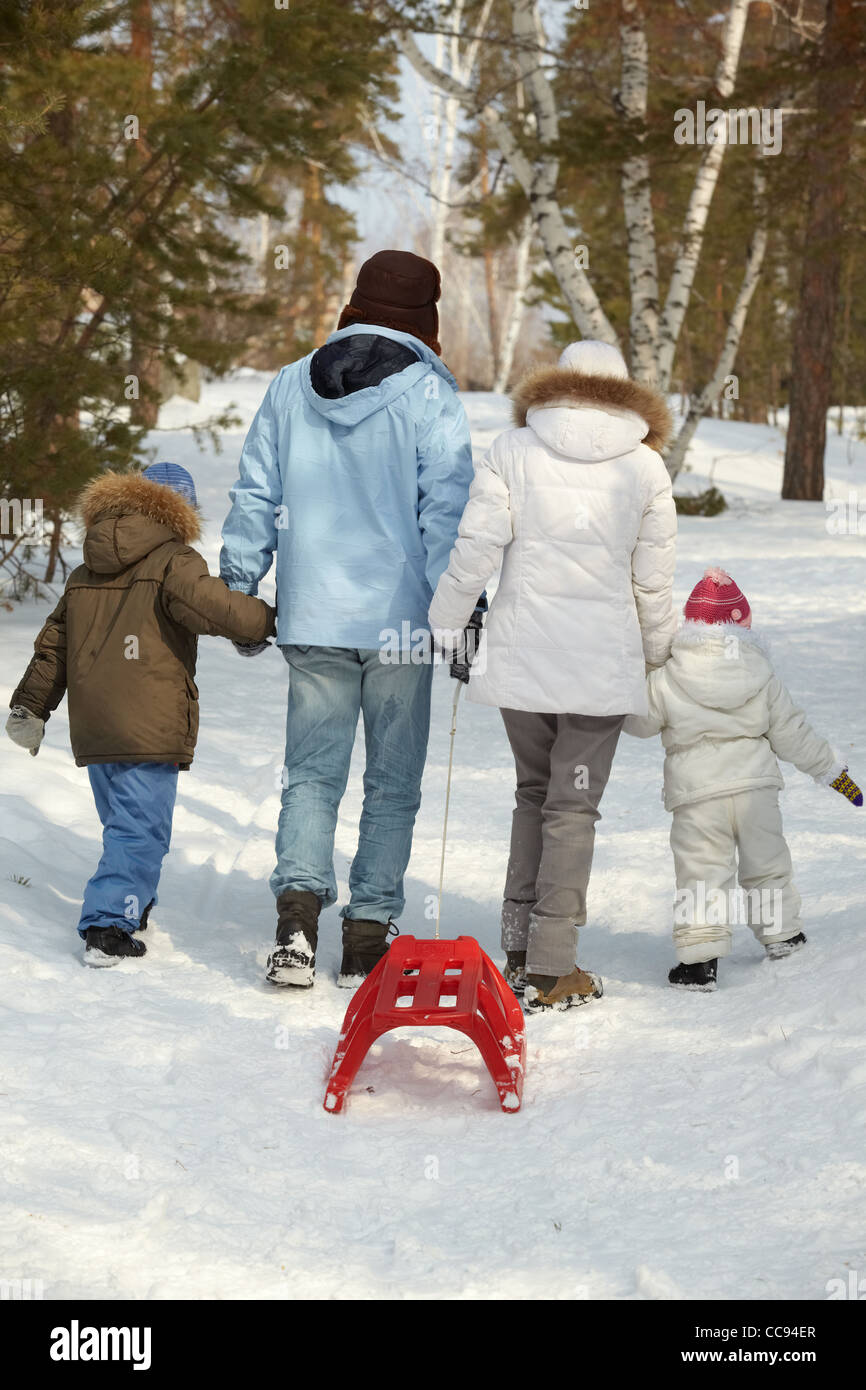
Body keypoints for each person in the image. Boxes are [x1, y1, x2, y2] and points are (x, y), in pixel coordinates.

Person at [219, 250, 474, 990]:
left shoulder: (291, 383)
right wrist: (457, 608)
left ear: (355, 303)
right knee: (392, 783)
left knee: (311, 774)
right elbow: (446, 513)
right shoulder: (429, 394)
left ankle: (296, 927)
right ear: (427, 317)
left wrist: (241, 584)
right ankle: (367, 935)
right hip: (401, 621)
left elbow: (255, 491)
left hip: (313, 615)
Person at [429, 339, 678, 1012]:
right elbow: (653, 581)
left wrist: (445, 624)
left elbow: (475, 548)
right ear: (622, 393)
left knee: (533, 792)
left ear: (558, 384)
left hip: (523, 657)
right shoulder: (645, 466)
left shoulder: (513, 451)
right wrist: (657, 653)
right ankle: (551, 966)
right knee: (573, 806)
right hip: (600, 667)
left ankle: (519, 944)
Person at [5, 462, 275, 965]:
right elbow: (215, 607)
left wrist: (31, 704)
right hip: (147, 723)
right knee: (141, 829)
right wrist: (272, 620)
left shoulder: (86, 568)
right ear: (179, 510)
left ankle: (129, 899)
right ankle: (107, 925)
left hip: (95, 725)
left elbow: (54, 645)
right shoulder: (174, 559)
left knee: (124, 824)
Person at [624, 566, 862, 991]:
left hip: (697, 797)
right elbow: (794, 735)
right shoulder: (761, 676)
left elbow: (637, 722)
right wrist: (837, 777)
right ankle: (782, 934)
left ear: (690, 626)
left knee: (701, 872)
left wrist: (635, 675)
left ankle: (699, 963)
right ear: (745, 629)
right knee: (767, 865)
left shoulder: (667, 678)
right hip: (756, 792)